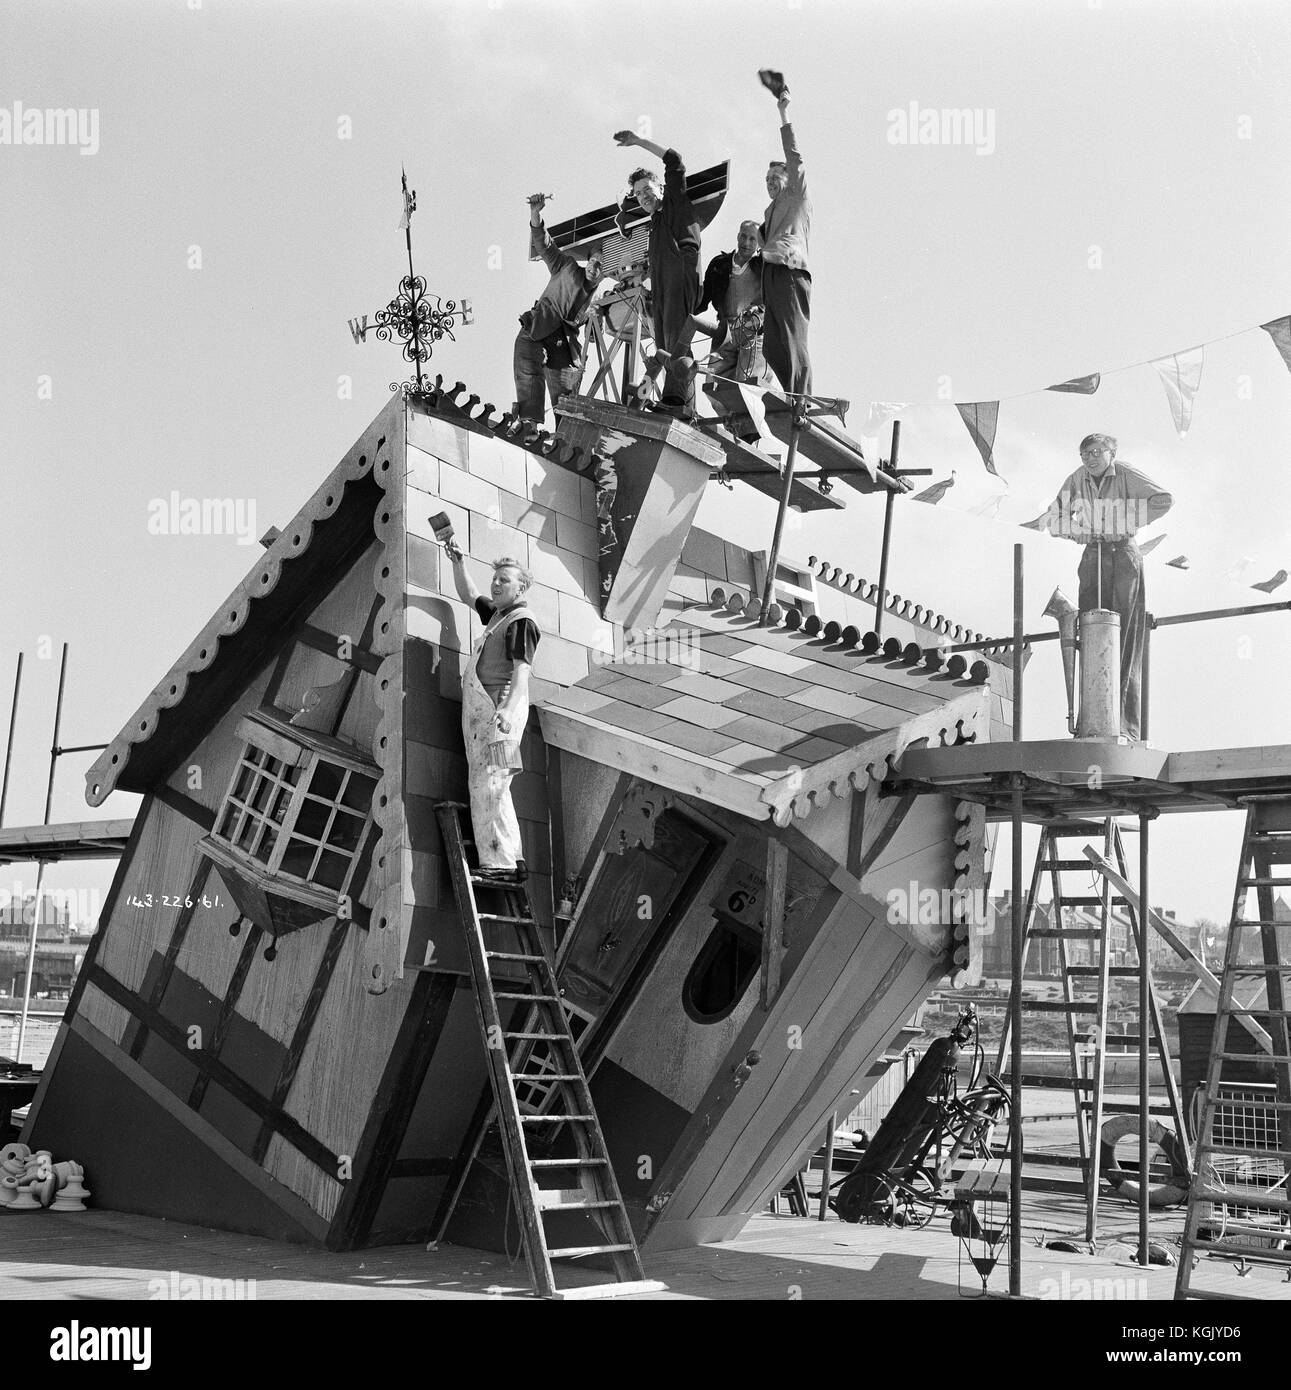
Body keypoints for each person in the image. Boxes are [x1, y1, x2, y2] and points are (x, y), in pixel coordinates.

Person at [1034, 433, 1173, 741]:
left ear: (1112, 453)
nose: (1090, 458)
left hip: (1123, 554)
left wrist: (1124, 521)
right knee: (1090, 630)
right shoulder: (1076, 479)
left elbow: (1163, 500)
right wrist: (1076, 531)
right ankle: (1091, 721)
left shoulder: (1125, 473)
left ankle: (1123, 726)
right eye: (1085, 454)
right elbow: (1052, 519)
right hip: (1093, 555)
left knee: (1123, 637)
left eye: (1097, 452)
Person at [445, 545, 541, 879]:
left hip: (500, 718)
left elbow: (521, 673)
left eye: (504, 580)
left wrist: (507, 711)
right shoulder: (498, 616)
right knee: (496, 783)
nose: (496, 585)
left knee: (490, 782)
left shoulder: (521, 622)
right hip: (492, 716)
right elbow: (469, 593)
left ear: (521, 588)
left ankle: (499, 863)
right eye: (495, 579)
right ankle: (514, 858)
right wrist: (458, 562)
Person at [612, 130, 703, 414]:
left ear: (661, 188)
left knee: (677, 339)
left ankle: (678, 402)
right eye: (638, 194)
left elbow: (675, 162)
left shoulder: (674, 202)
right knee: (664, 343)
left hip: (680, 278)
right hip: (664, 286)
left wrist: (638, 141)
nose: (643, 196)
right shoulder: (654, 227)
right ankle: (679, 404)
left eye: (647, 189)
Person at [514, 193, 604, 426]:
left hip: (563, 346)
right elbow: (545, 246)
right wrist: (535, 214)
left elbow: (593, 335)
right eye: (593, 261)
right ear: (588, 261)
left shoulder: (596, 300)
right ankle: (529, 424)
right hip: (539, 327)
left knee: (565, 401)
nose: (595, 268)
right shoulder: (567, 266)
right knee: (526, 365)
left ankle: (565, 440)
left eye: (601, 266)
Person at [760, 80, 813, 397]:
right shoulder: (769, 212)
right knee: (771, 347)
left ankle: (802, 398)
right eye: (765, 179)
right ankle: (791, 393)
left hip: (792, 272)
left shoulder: (797, 194)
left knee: (794, 337)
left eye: (773, 178)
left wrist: (783, 112)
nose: (768, 182)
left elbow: (794, 155)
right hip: (771, 276)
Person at [697, 220, 769, 384]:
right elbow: (702, 299)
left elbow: (776, 298)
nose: (746, 242)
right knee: (713, 386)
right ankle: (729, 411)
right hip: (726, 333)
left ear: (759, 243)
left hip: (754, 333)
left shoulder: (764, 267)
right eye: (743, 236)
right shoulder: (720, 264)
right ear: (737, 236)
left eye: (752, 239)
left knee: (748, 385)